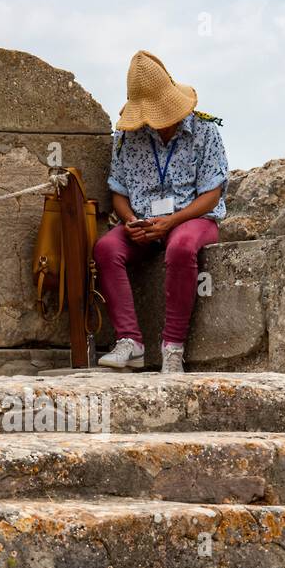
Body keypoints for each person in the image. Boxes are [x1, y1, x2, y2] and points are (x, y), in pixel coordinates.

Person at [94, 50, 228, 373]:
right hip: (144, 226)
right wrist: (130, 222)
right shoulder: (126, 138)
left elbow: (212, 194)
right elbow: (118, 193)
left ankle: (172, 348)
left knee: (181, 247)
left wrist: (173, 221)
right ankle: (130, 342)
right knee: (106, 248)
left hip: (192, 218)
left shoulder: (205, 131)